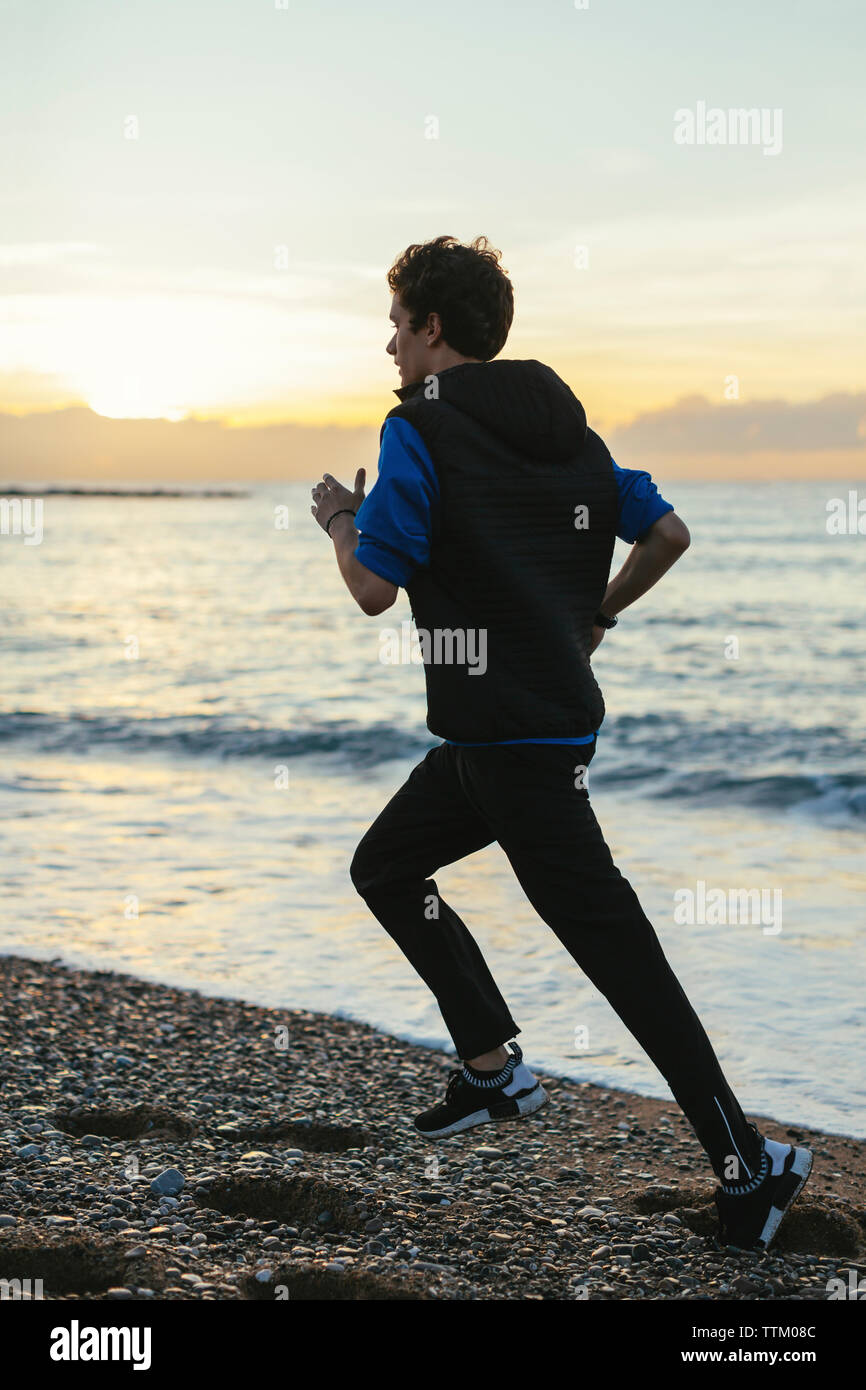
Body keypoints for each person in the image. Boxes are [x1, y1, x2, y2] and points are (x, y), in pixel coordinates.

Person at [310, 234, 812, 1252]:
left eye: (397, 323)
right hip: (503, 735)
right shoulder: (570, 439)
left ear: (433, 327)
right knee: (388, 865)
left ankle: (746, 1169)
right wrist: (600, 612)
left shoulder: (418, 431)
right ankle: (491, 1069)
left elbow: (371, 588)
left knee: (621, 960)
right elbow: (665, 532)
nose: (387, 344)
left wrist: (338, 521)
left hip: (508, 749)